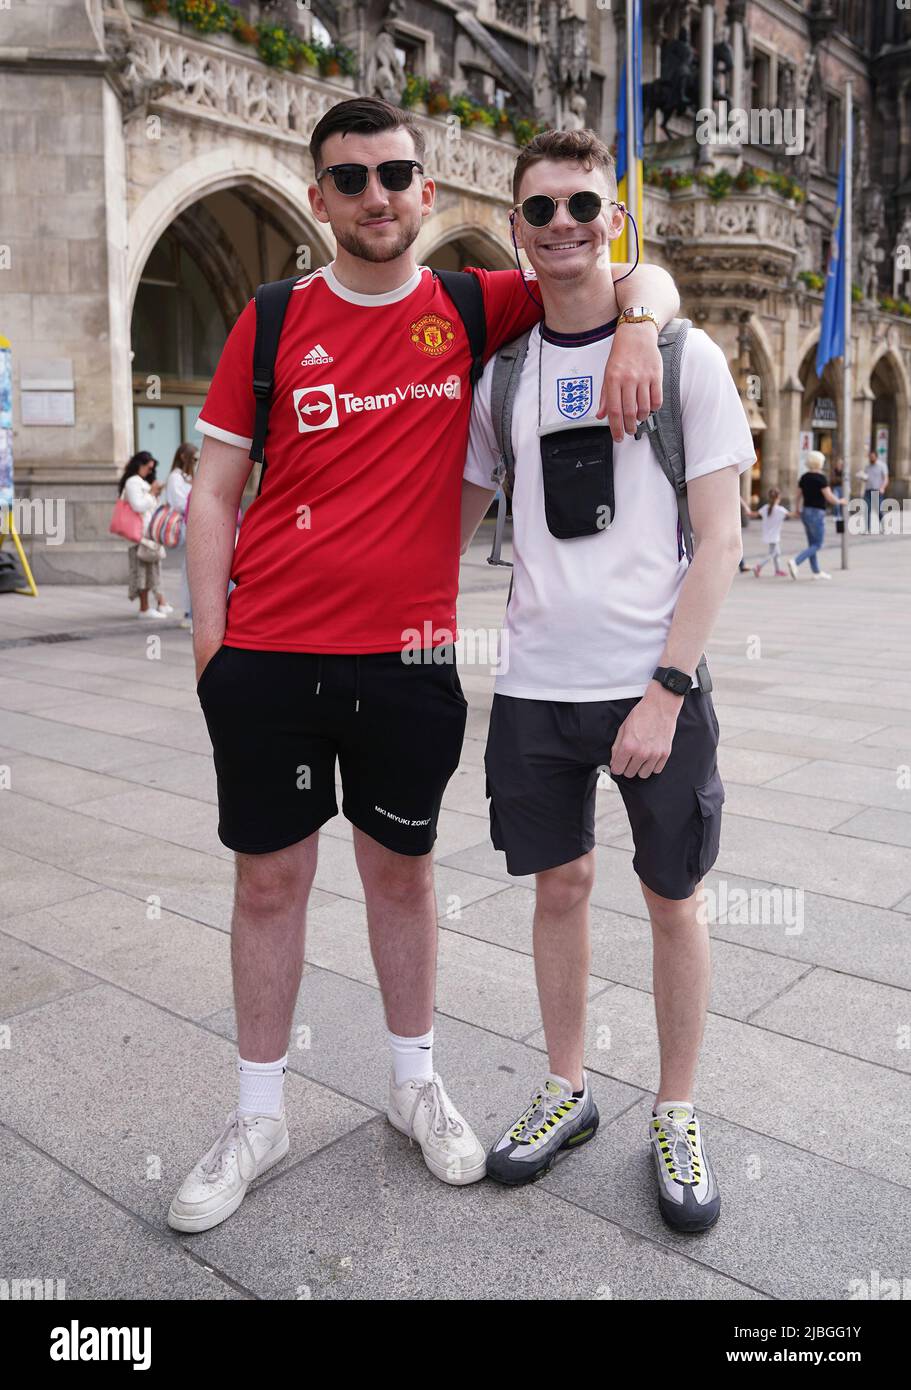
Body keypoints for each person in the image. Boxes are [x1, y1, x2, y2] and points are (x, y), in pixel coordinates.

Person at [169, 96, 681, 1234]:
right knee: (267, 884)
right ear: (317, 200)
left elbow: (602, 271)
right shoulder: (267, 318)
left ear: (428, 192)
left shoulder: (469, 304)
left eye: (393, 175)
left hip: (404, 662)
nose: (374, 197)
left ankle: (414, 1085)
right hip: (266, 657)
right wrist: (211, 646)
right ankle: (258, 1114)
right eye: (348, 179)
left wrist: (644, 317)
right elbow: (210, 492)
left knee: (402, 874)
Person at [460, 127, 755, 1232]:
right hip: (534, 686)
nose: (563, 226)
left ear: (613, 220)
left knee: (670, 899)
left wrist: (666, 690)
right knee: (558, 889)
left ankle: (675, 1108)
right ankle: (567, 1086)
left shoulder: (683, 358)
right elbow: (455, 513)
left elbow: (717, 539)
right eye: (540, 210)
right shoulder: (505, 373)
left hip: (654, 686)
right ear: (517, 228)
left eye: (583, 206)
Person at [117, 451, 170, 618]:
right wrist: (152, 493)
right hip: (138, 534)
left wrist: (154, 494)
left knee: (151, 569)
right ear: (139, 465)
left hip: (147, 533)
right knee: (141, 571)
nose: (150, 471)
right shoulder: (133, 482)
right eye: (148, 467)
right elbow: (138, 506)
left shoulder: (141, 482)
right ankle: (144, 608)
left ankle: (158, 603)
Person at [787, 449, 846, 580]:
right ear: (819, 462)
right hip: (817, 512)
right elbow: (829, 497)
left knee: (812, 543)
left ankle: (816, 571)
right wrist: (840, 501)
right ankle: (795, 561)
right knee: (818, 544)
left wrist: (797, 509)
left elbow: (797, 496)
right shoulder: (821, 478)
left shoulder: (804, 477)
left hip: (806, 511)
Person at [165, 442, 196, 628]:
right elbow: (178, 503)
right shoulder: (175, 477)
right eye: (194, 459)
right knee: (189, 570)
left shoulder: (188, 476)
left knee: (192, 569)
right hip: (187, 524)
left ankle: (192, 611)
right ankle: (188, 611)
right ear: (184, 457)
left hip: (194, 523)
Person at [743, 486, 794, 576]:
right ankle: (758, 567)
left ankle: (777, 571)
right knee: (774, 554)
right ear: (779, 497)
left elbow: (753, 514)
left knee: (776, 553)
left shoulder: (766, 508)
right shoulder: (780, 510)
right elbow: (792, 515)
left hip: (768, 535)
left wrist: (747, 510)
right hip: (774, 536)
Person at [862, 449, 888, 533]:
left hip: (877, 491)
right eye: (870, 457)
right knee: (867, 509)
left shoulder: (882, 466)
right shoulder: (867, 466)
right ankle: (867, 529)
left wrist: (883, 487)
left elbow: (886, 479)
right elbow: (866, 478)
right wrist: (862, 477)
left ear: (876, 457)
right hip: (868, 490)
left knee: (879, 510)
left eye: (872, 457)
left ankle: (883, 527)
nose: (871, 458)